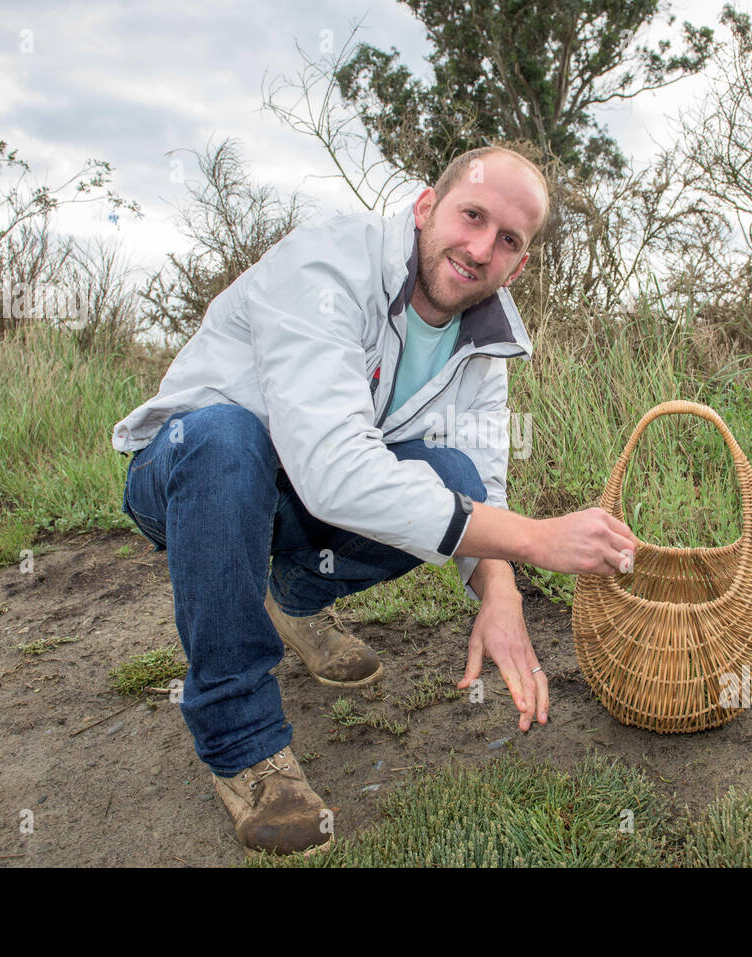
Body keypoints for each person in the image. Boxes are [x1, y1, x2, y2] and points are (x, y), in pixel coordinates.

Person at [112, 145, 638, 856]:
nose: (481, 248)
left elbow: (479, 478)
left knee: (450, 471)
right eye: (472, 216)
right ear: (427, 208)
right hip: (189, 474)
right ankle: (243, 744)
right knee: (227, 436)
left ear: (519, 263)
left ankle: (289, 599)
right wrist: (535, 539)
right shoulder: (326, 265)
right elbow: (334, 469)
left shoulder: (488, 337)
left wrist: (501, 593)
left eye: (508, 240)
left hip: (298, 500)